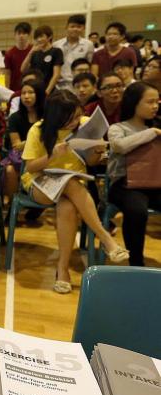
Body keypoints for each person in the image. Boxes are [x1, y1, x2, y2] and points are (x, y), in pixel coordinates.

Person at [20, 90, 128, 293]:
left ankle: (62, 269)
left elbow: (90, 162)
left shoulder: (86, 124)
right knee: (69, 183)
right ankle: (105, 238)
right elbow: (30, 167)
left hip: (75, 184)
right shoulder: (38, 130)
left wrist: (96, 151)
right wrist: (52, 155)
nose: (76, 121)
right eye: (71, 118)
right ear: (56, 116)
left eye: (78, 115)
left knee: (68, 204)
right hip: (40, 182)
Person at [107, 81, 161, 267]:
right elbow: (120, 146)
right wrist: (152, 133)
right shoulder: (118, 128)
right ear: (134, 103)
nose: (155, 106)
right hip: (124, 184)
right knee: (137, 211)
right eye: (150, 102)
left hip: (155, 182)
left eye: (157, 102)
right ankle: (136, 263)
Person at [2, 79, 45, 201]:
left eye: (31, 92)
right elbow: (16, 146)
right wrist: (38, 140)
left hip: (42, 155)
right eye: (23, 93)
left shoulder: (47, 115)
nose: (26, 96)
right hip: (21, 157)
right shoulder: (15, 117)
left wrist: (27, 143)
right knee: (9, 170)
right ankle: (12, 205)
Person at [53, 14, 94, 92]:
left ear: (83, 28)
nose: (75, 29)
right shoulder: (56, 45)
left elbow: (90, 65)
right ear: (66, 27)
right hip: (60, 85)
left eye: (79, 27)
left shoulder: (88, 45)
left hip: (80, 85)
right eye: (72, 26)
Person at [21, 25, 63, 95]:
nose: (39, 39)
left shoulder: (56, 51)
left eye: (41, 36)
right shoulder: (35, 53)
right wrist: (30, 52)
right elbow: (23, 70)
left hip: (49, 90)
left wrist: (47, 91)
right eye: (37, 37)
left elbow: (56, 75)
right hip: (35, 90)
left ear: (50, 37)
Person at [4, 22, 33, 92]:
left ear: (29, 35)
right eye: (19, 33)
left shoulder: (34, 51)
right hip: (14, 89)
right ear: (15, 35)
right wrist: (7, 90)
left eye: (24, 33)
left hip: (32, 88)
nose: (21, 36)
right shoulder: (9, 53)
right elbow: (7, 74)